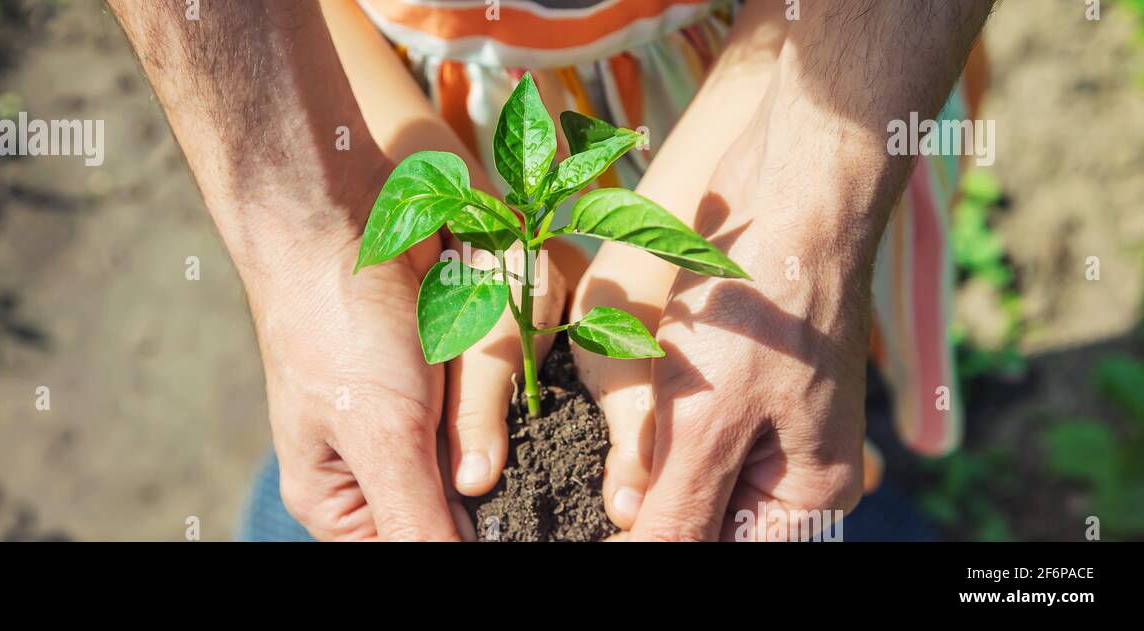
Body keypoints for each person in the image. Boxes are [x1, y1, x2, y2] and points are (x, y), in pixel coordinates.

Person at [106, 0, 994, 541]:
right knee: (408, 410)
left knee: (781, 379)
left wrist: (805, 203)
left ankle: (836, 467)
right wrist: (317, 239)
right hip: (377, 105)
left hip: (798, 96)